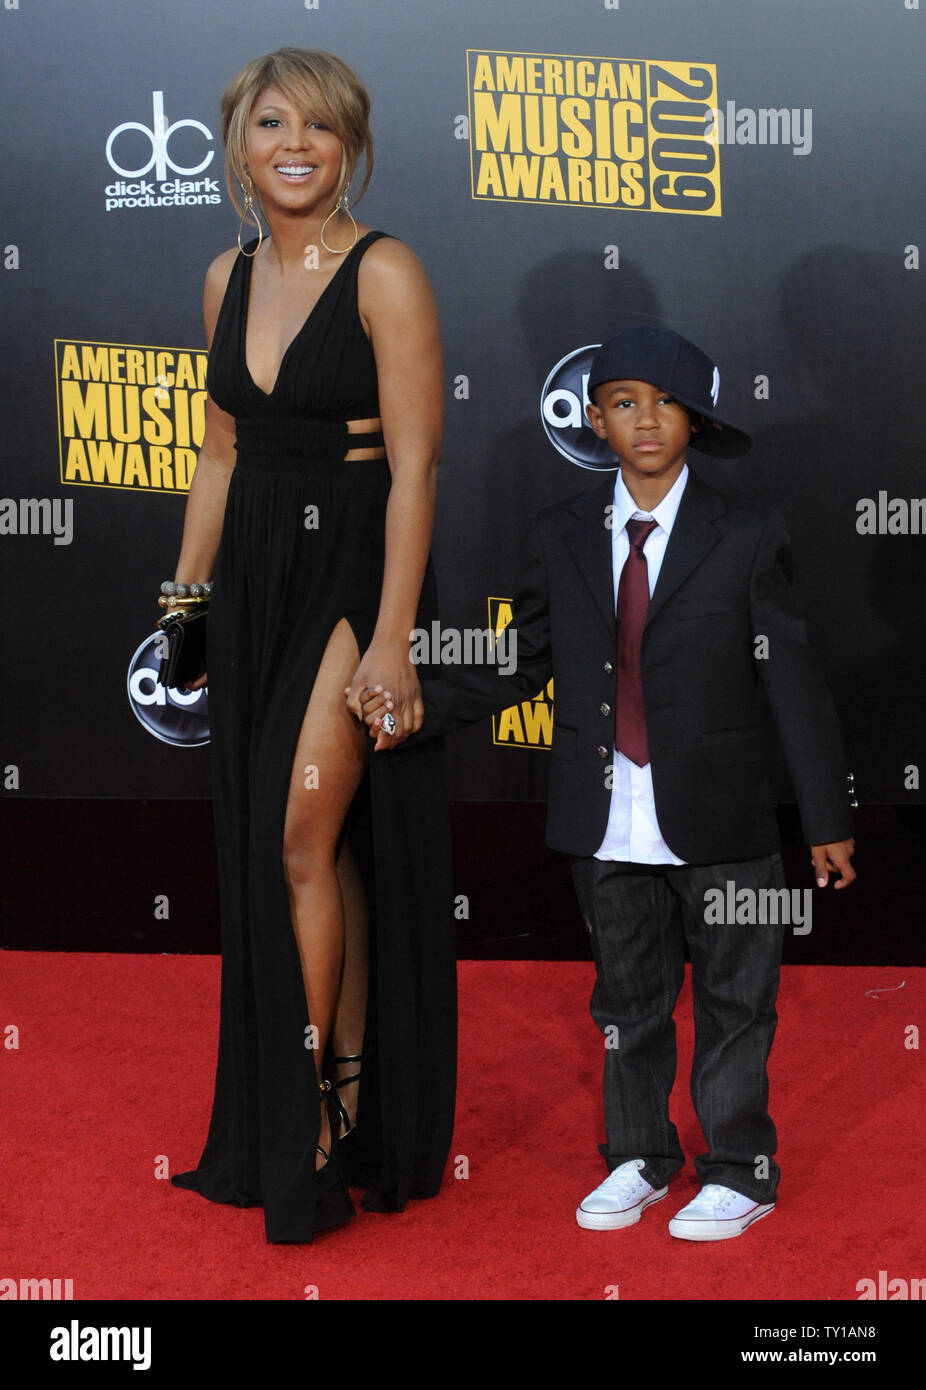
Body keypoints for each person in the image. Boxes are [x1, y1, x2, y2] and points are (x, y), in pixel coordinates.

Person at [356, 325, 856, 1242]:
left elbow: (793, 679)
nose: (648, 420)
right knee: (627, 999)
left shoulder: (747, 532)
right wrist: (422, 700)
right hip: (604, 816)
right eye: (626, 402)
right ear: (595, 419)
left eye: (668, 403)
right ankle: (641, 1153)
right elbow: (526, 658)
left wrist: (826, 816)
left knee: (737, 999)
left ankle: (740, 1169)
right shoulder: (561, 533)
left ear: (696, 421)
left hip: (728, 819)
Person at [164, 47, 456, 1243]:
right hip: (254, 582)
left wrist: (393, 639)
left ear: (351, 145)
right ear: (237, 144)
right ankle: (316, 1090)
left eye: (320, 128)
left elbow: (415, 465)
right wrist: (185, 602)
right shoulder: (220, 278)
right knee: (307, 848)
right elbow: (221, 454)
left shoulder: (387, 272)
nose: (296, 144)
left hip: (346, 574)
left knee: (301, 830)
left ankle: (328, 1109)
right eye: (271, 123)